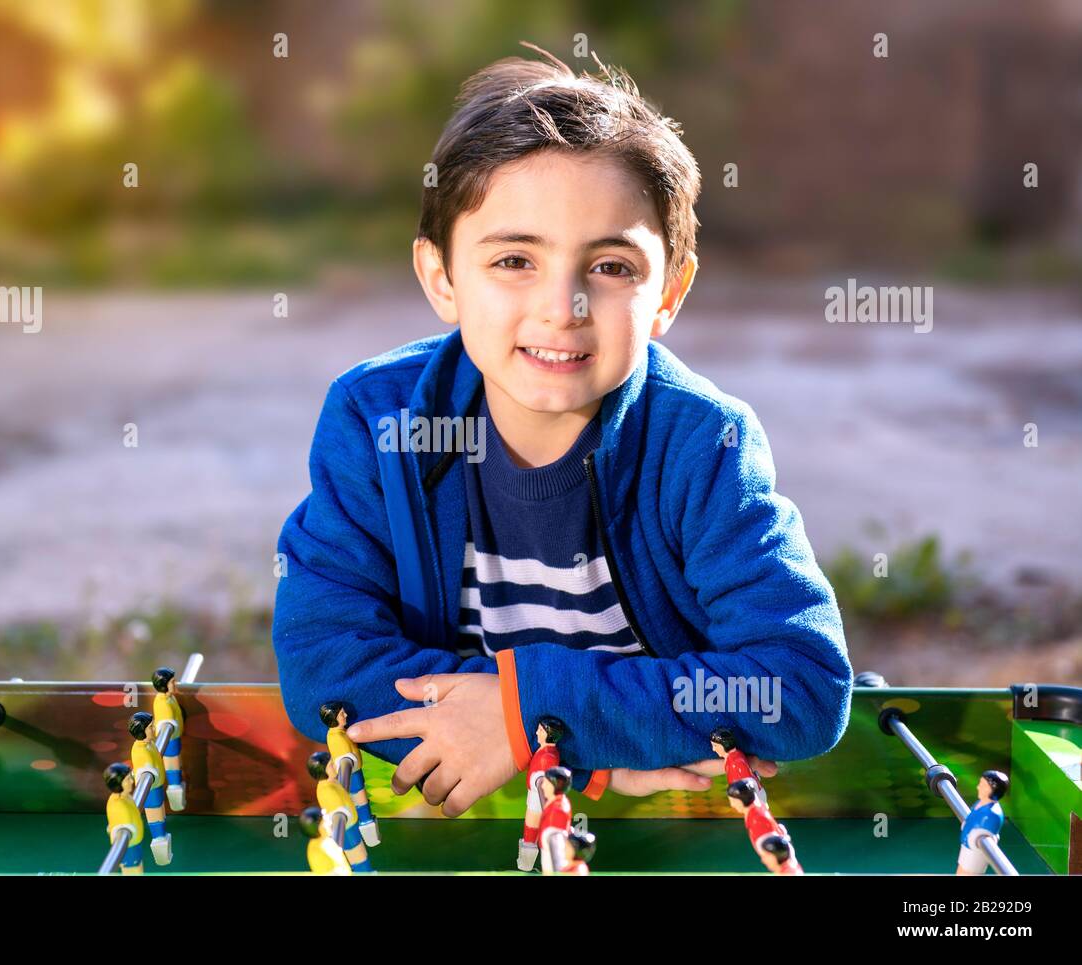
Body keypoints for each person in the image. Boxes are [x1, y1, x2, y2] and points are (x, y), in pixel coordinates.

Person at [272, 41, 849, 818]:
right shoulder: (379, 421)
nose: (563, 308)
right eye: (515, 260)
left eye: (610, 267)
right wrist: (572, 753)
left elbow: (800, 684)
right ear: (442, 278)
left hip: (668, 827)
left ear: (669, 292)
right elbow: (323, 664)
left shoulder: (704, 444)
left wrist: (523, 717)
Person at [320, 701, 379, 846]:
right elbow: (345, 762)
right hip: (352, 776)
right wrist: (344, 787)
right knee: (361, 803)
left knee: (361, 803)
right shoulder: (337, 737)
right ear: (333, 718)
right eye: (341, 714)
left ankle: (367, 828)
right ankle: (369, 831)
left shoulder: (338, 733)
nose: (345, 715)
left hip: (354, 774)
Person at [518, 716, 564, 871]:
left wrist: (547, 810)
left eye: (540, 730)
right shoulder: (548, 752)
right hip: (536, 798)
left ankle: (526, 866)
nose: (537, 732)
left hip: (537, 801)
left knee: (531, 832)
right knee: (533, 831)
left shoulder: (547, 757)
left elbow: (543, 784)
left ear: (548, 733)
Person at [128, 711, 172, 865]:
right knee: (156, 818)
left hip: (157, 786)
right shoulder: (140, 749)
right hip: (151, 791)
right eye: (151, 727)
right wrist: (148, 773)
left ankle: (163, 840)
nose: (154, 729)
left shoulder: (149, 744)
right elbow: (144, 769)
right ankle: (160, 848)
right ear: (141, 731)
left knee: (161, 815)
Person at [957, 770, 1009, 875]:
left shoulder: (993, 814)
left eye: (983, 785)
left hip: (975, 853)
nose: (978, 787)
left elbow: (986, 833)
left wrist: (975, 836)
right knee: (961, 871)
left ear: (993, 790)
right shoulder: (979, 803)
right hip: (966, 847)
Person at [151, 667, 186, 811]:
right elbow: (166, 722)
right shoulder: (162, 702)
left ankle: (178, 788)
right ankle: (175, 794)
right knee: (172, 767)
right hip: (170, 741)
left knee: (177, 765)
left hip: (175, 738)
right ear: (164, 685)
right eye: (172, 682)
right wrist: (169, 726)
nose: (175, 684)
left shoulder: (169, 698)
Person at [103, 762, 145, 875]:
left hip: (134, 843)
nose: (132, 781)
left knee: (138, 868)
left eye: (131, 777)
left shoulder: (125, 798)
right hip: (129, 848)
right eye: (127, 779)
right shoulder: (118, 805)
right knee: (133, 870)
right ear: (117, 784)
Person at [301, 806, 352, 875]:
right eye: (325, 821)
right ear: (318, 828)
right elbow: (344, 870)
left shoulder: (312, 843)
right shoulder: (327, 844)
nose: (330, 822)